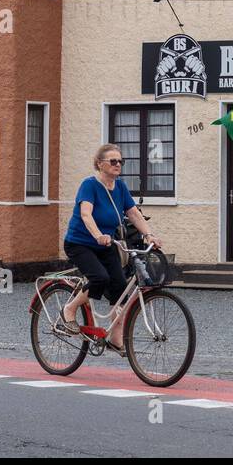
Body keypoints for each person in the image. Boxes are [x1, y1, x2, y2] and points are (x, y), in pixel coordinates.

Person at [60, 144, 161, 350]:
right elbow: (86, 215)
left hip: (106, 244)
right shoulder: (89, 185)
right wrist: (98, 235)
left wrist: (149, 235)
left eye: (120, 161)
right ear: (100, 164)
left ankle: (115, 338)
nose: (118, 165)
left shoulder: (120, 187)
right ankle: (69, 310)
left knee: (119, 289)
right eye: (113, 161)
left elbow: (133, 213)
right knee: (100, 278)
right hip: (80, 243)